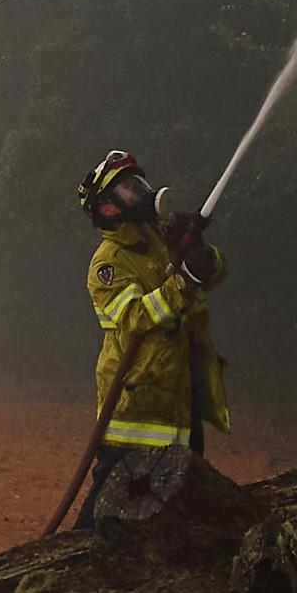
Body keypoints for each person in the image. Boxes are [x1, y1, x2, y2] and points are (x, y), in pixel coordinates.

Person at [78, 148, 225, 525]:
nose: (141, 192)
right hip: (135, 406)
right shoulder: (108, 263)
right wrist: (182, 280)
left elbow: (208, 275)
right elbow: (138, 319)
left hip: (178, 397)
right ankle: (64, 563)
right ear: (109, 208)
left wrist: (201, 255)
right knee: (109, 504)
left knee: (183, 501)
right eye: (129, 189)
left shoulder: (156, 242)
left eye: (137, 183)